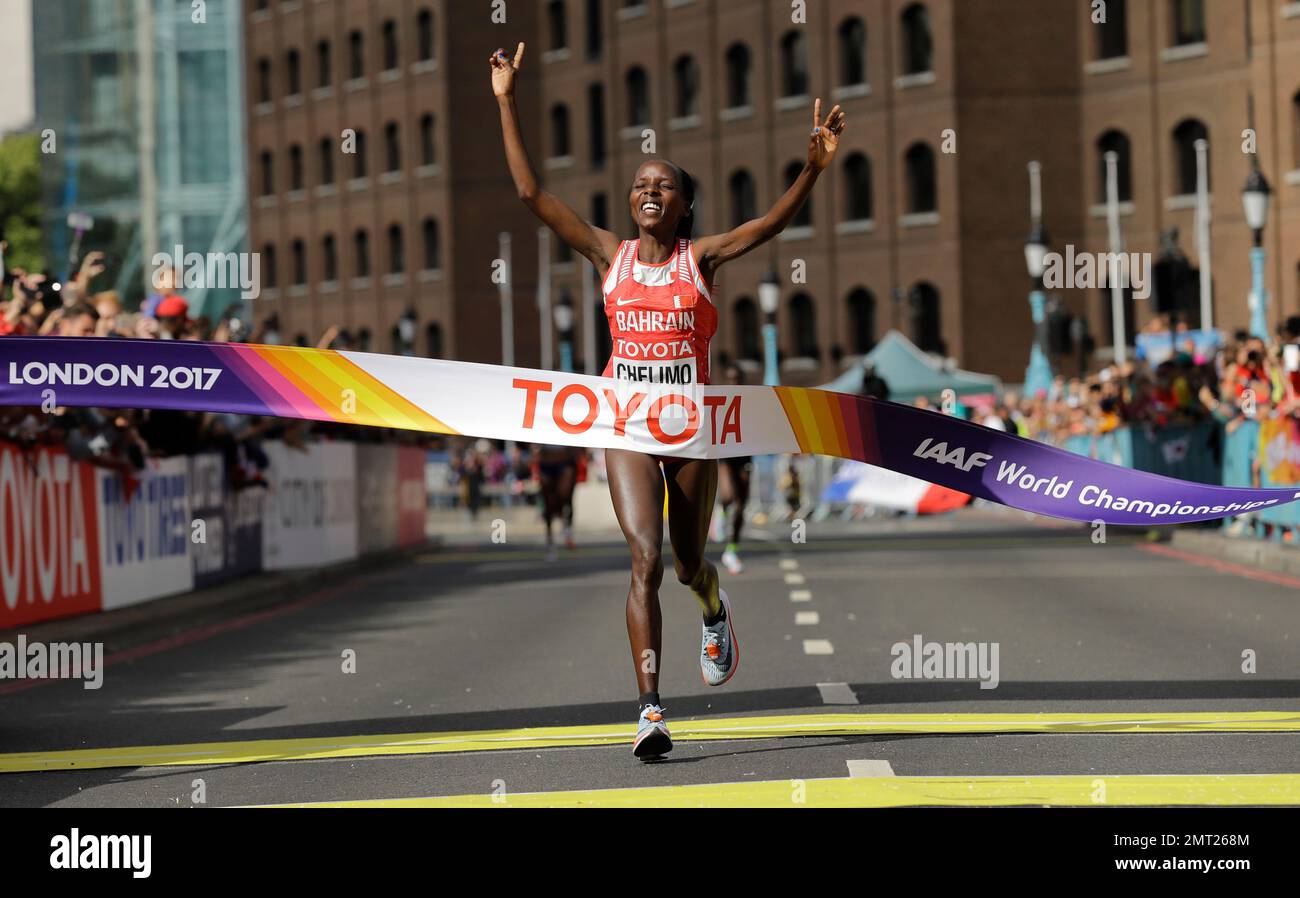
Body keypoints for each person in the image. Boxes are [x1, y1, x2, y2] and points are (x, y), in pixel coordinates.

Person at [492, 42, 845, 760]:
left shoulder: (700, 258)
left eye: (663, 186)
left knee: (686, 565)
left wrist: (811, 168)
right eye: (639, 185)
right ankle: (650, 709)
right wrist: (505, 99)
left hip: (690, 430)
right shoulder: (607, 253)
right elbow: (532, 196)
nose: (649, 191)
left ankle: (712, 607)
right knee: (644, 560)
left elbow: (769, 227)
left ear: (682, 205)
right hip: (624, 423)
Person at [715, 364, 751, 575]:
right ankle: (721, 511)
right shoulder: (721, 399)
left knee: (741, 505)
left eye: (738, 378)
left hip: (745, 457)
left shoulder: (750, 400)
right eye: (731, 379)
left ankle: (731, 550)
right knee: (729, 496)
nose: (734, 382)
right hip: (726, 458)